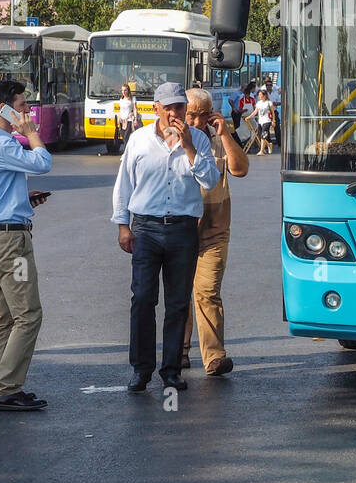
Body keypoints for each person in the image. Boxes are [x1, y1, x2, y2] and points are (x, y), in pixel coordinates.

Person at [112, 81, 219, 393]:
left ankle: (171, 370)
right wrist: (122, 225)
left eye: (179, 107)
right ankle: (140, 369)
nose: (174, 113)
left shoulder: (197, 138)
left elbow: (210, 180)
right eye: (168, 107)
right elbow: (124, 184)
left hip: (183, 228)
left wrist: (188, 147)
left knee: (176, 303)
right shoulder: (139, 140)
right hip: (145, 227)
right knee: (143, 298)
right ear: (155, 108)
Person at [0, 80, 53, 412]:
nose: (27, 112)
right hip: (11, 243)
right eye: (22, 106)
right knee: (29, 314)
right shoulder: (2, 145)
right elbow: (43, 163)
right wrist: (32, 132)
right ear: (4, 108)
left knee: (4, 315)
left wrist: (23, 198)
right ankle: (8, 387)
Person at [180, 89, 250, 375]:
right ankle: (180, 351)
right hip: (181, 230)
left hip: (214, 231)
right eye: (191, 115)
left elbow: (241, 169)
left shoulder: (219, 140)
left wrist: (225, 135)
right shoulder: (174, 141)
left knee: (207, 291)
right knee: (180, 294)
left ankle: (214, 357)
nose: (197, 121)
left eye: (203, 115)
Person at [252, 87, 276, 155]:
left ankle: (262, 150)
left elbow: (273, 112)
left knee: (263, 136)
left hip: (267, 121)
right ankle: (269, 145)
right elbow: (255, 112)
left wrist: (273, 120)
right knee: (260, 136)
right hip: (260, 121)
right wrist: (249, 117)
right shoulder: (258, 103)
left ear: (264, 95)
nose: (259, 96)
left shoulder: (269, 102)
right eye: (258, 95)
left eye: (260, 95)